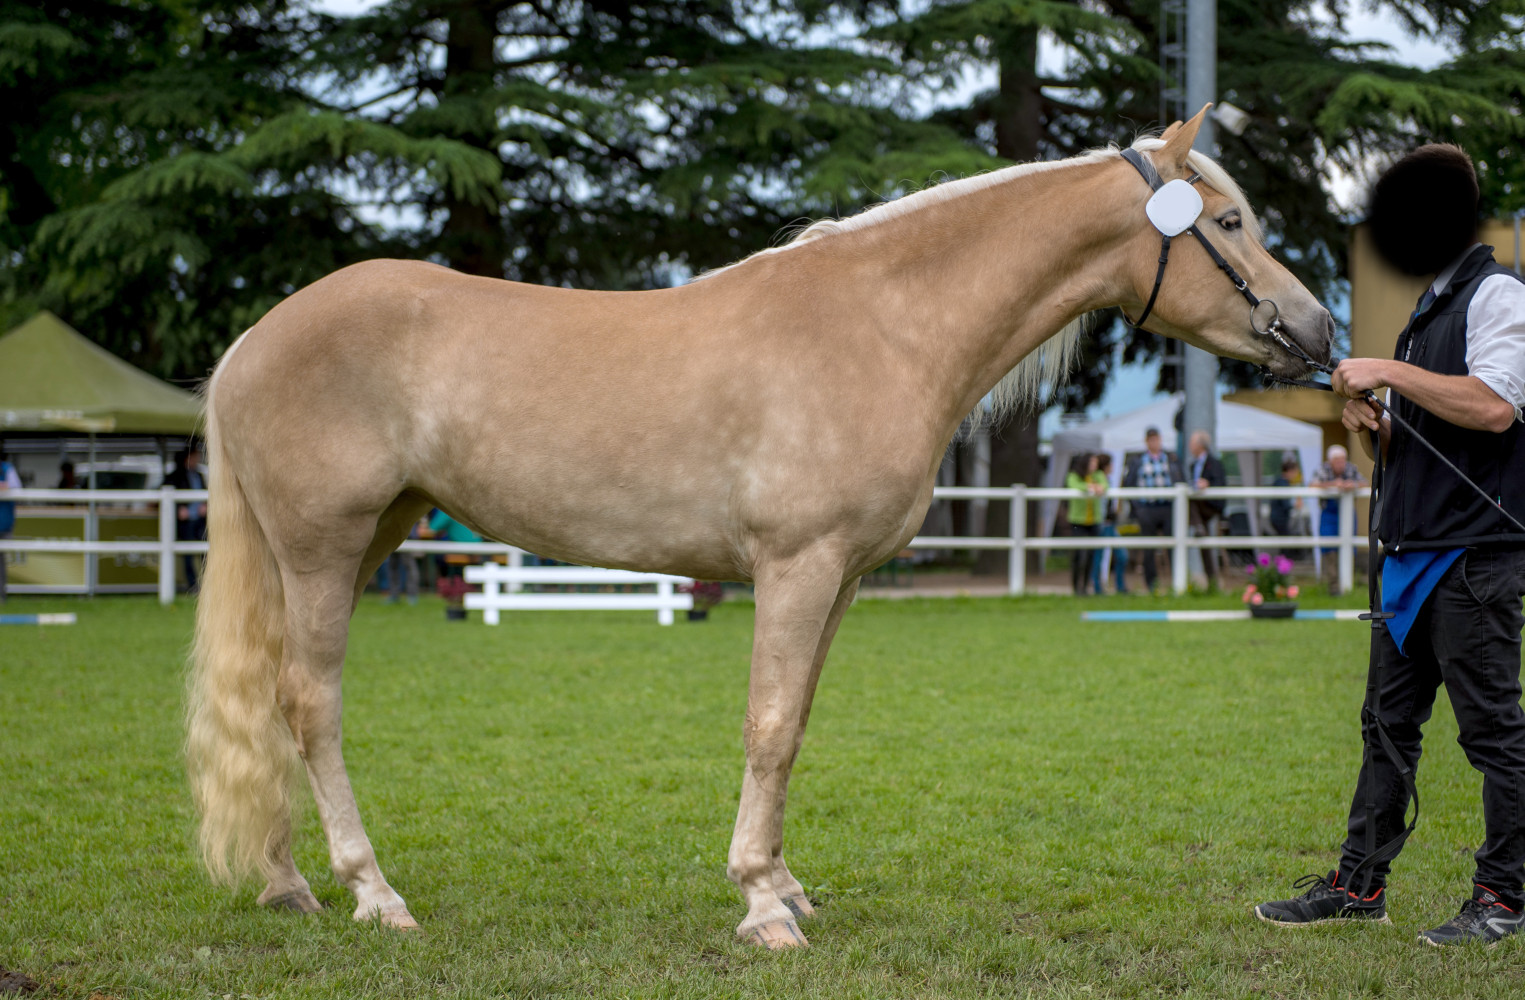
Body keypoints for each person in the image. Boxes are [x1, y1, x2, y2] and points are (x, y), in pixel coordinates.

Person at [1254, 144, 1525, 947]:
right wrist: (1369, 428)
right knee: (1385, 729)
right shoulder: (1424, 316)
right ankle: (1357, 885)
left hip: (1473, 559)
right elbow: (1414, 449)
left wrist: (1388, 374)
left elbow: (1492, 410)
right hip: (1409, 560)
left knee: (1490, 735)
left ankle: (1503, 898)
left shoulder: (1496, 294)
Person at [1123, 426, 1184, 594]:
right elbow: (1129, 484)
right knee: (1149, 548)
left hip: (1167, 507)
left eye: (1156, 439)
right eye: (1151, 439)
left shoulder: (1170, 459)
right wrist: (1138, 508)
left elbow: (1180, 480)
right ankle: (1151, 585)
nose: (1154, 442)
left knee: (1173, 546)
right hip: (1147, 508)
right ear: (1146, 441)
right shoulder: (1138, 461)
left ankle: (1177, 583)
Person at [1186, 429, 1226, 590]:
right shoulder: (1193, 465)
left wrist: (1208, 485)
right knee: (1205, 544)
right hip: (1199, 508)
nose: (1190, 446)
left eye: (1192, 443)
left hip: (1210, 505)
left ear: (1199, 445)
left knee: (1189, 503)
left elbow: (1221, 484)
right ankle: (1212, 581)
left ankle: (1197, 526)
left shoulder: (1214, 463)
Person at [165, 447, 207, 592]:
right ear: (186, 459)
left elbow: (207, 493)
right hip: (186, 520)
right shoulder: (176, 475)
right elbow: (164, 495)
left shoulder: (199, 475)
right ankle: (192, 584)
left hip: (200, 519)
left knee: (206, 552)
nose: (197, 460)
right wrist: (178, 509)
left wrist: (205, 505)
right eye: (194, 457)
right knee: (188, 554)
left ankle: (207, 583)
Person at [1065, 453, 1105, 595]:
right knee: (1078, 555)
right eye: (1092, 462)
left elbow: (1105, 485)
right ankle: (1076, 587)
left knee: (1090, 556)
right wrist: (1091, 487)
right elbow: (1073, 485)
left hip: (1094, 521)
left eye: (1096, 463)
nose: (1094, 466)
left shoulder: (1098, 475)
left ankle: (1086, 587)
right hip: (1078, 521)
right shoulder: (1075, 475)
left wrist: (1098, 487)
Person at [1091, 453, 1128, 595]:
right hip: (1102, 523)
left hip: (1110, 523)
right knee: (1098, 557)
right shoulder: (1100, 479)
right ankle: (1097, 588)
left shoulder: (1106, 480)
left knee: (1121, 555)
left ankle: (1120, 586)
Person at [0, 449, 20, 602]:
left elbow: (15, 488)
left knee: (1, 560)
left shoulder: (7, 468)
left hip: (4, 522)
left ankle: (1, 594)